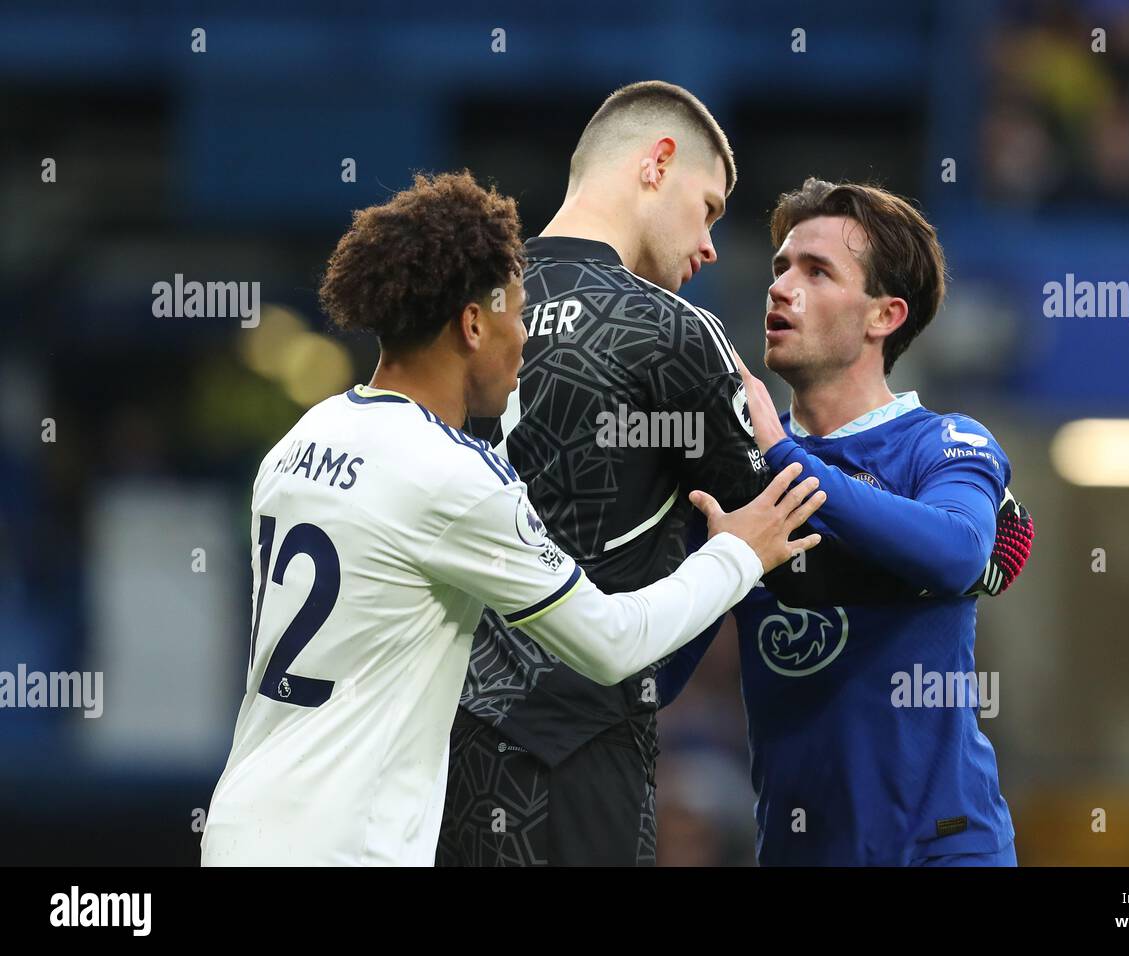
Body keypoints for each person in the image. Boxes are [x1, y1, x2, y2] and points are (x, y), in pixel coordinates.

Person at [199, 170, 826, 866]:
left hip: (240, 826)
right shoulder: (453, 477)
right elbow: (612, 642)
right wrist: (738, 554)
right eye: (517, 316)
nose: (525, 341)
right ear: (473, 324)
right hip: (350, 845)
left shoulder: (302, 438)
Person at [657, 178, 1032, 866]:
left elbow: (958, 551)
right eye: (780, 267)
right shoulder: (737, 479)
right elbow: (656, 679)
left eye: (817, 270)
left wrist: (784, 458)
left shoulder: (945, 443)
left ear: (883, 316)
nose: (781, 286)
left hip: (945, 852)